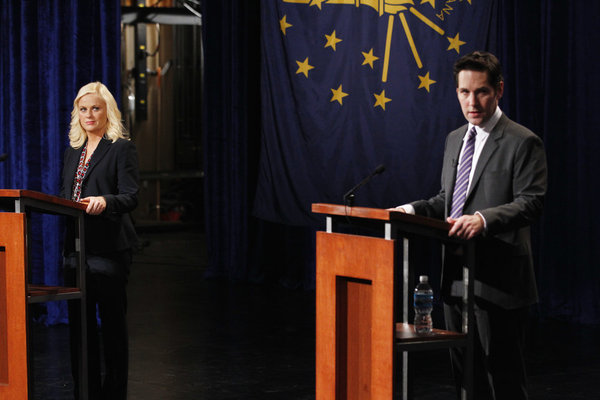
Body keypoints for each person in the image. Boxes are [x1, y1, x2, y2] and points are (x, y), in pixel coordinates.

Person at [391, 51, 547, 399]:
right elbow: (448, 200)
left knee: (503, 383)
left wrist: (482, 219)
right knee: (466, 381)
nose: (472, 102)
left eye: (482, 92)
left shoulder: (523, 141)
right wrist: (406, 210)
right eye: (464, 92)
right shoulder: (455, 139)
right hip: (456, 280)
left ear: (499, 90)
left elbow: (531, 202)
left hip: (499, 284)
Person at [60, 81, 139, 400]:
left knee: (112, 326)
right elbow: (65, 194)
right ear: (76, 114)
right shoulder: (73, 150)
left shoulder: (120, 147)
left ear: (108, 111)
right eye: (83, 109)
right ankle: (85, 391)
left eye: (96, 108)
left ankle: (114, 392)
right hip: (75, 249)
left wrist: (105, 201)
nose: (89, 114)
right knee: (80, 328)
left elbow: (131, 196)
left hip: (109, 249)